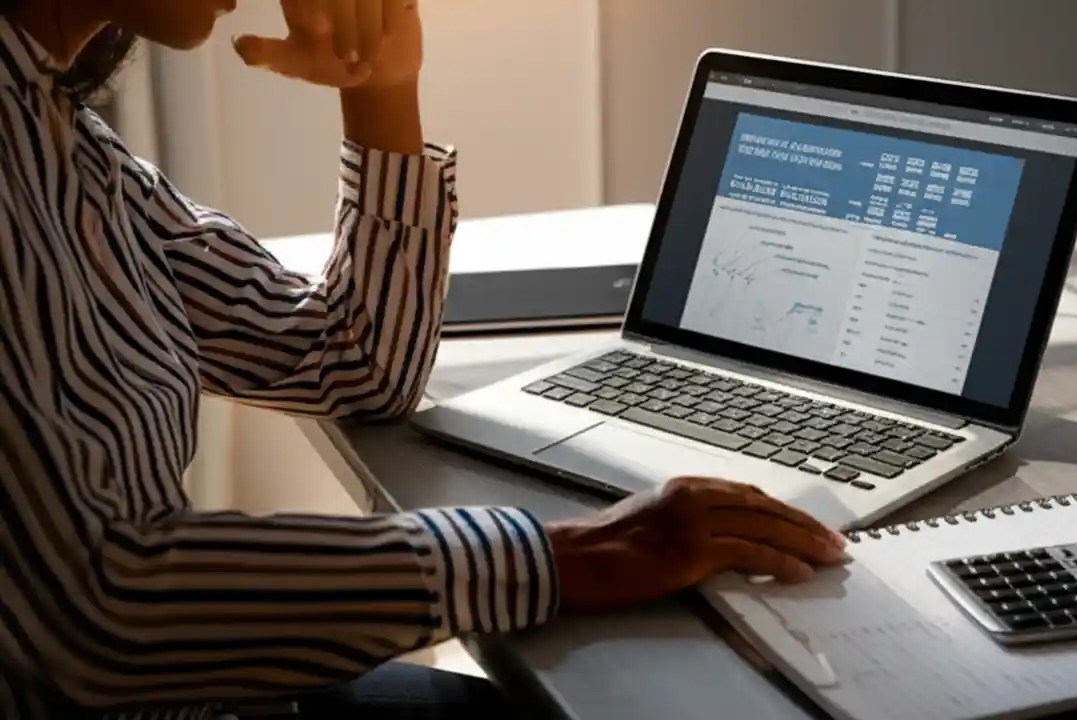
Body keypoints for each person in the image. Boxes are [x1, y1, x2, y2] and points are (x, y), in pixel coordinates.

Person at [0, 2, 849, 718]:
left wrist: (380, 88)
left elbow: (350, 359)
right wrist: (567, 558)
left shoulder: (57, 134)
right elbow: (90, 613)